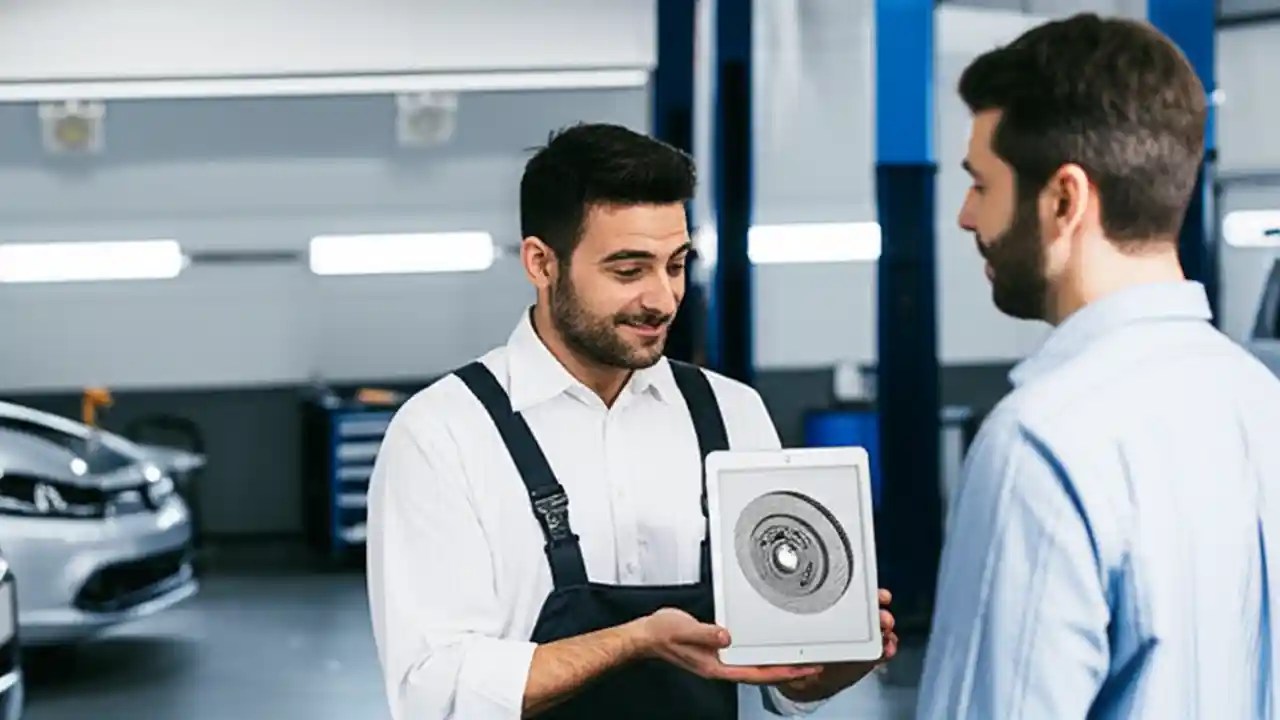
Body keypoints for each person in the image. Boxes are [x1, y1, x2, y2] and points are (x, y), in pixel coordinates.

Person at [366, 122, 897, 720]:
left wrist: (826, 661)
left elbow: (779, 677)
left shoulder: (730, 412)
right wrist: (635, 642)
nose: (663, 299)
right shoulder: (443, 434)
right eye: (628, 270)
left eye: (675, 264)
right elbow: (433, 689)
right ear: (541, 263)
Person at [917, 13, 1280, 719]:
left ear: (1063, 200)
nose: (966, 217)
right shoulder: (1262, 403)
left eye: (981, 185)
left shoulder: (1041, 442)